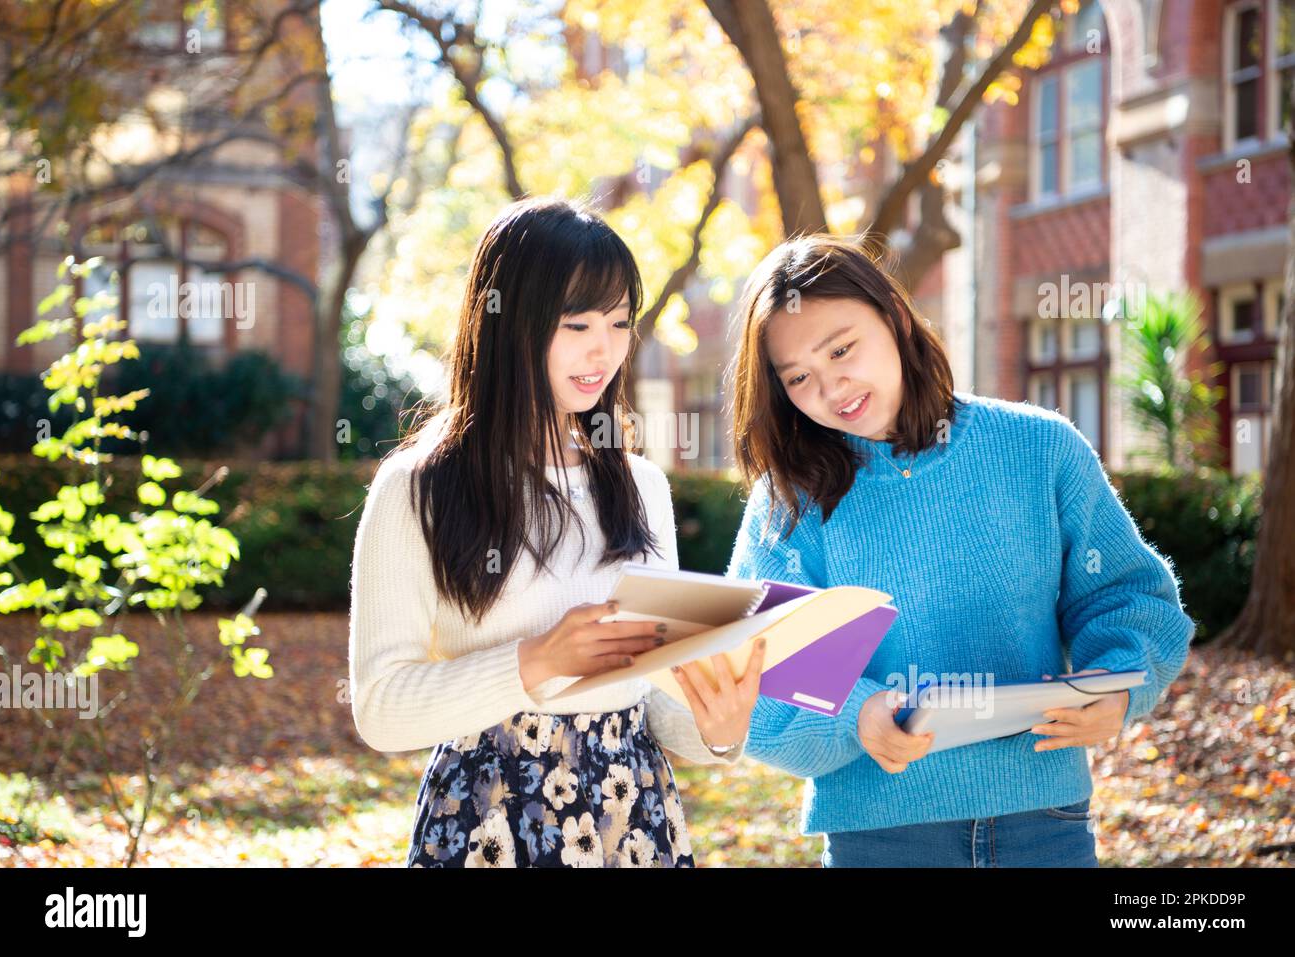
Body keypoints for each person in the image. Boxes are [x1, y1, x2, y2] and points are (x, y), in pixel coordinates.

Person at [724, 234, 1195, 867]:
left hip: (1043, 819)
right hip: (882, 836)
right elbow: (755, 671)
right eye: (800, 377)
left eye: (842, 348)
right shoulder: (791, 504)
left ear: (893, 316)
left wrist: (1117, 688)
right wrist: (858, 717)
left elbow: (1127, 596)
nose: (833, 386)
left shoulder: (1039, 449)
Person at [348, 197, 762, 868]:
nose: (605, 348)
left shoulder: (642, 486)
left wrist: (721, 726)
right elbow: (380, 705)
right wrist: (537, 661)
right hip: (488, 819)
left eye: (622, 321)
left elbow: (655, 700)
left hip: (633, 817)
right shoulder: (416, 489)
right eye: (577, 323)